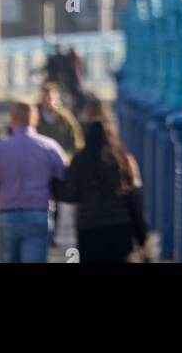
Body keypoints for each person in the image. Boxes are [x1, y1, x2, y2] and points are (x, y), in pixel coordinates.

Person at [0, 101, 66, 264]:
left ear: (12, 120)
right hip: (38, 213)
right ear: (36, 120)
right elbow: (64, 178)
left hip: (7, 215)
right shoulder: (50, 146)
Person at [59, 109, 147, 264]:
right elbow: (134, 199)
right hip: (120, 228)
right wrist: (142, 235)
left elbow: (69, 194)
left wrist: (53, 184)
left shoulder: (80, 161)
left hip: (89, 228)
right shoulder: (122, 159)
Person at [36, 81, 83, 247]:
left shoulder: (65, 118)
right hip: (39, 167)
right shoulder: (35, 118)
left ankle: (51, 234)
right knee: (41, 200)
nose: (49, 101)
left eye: (52, 97)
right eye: (46, 97)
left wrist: (68, 157)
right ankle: (43, 232)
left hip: (59, 167)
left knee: (56, 201)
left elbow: (76, 141)